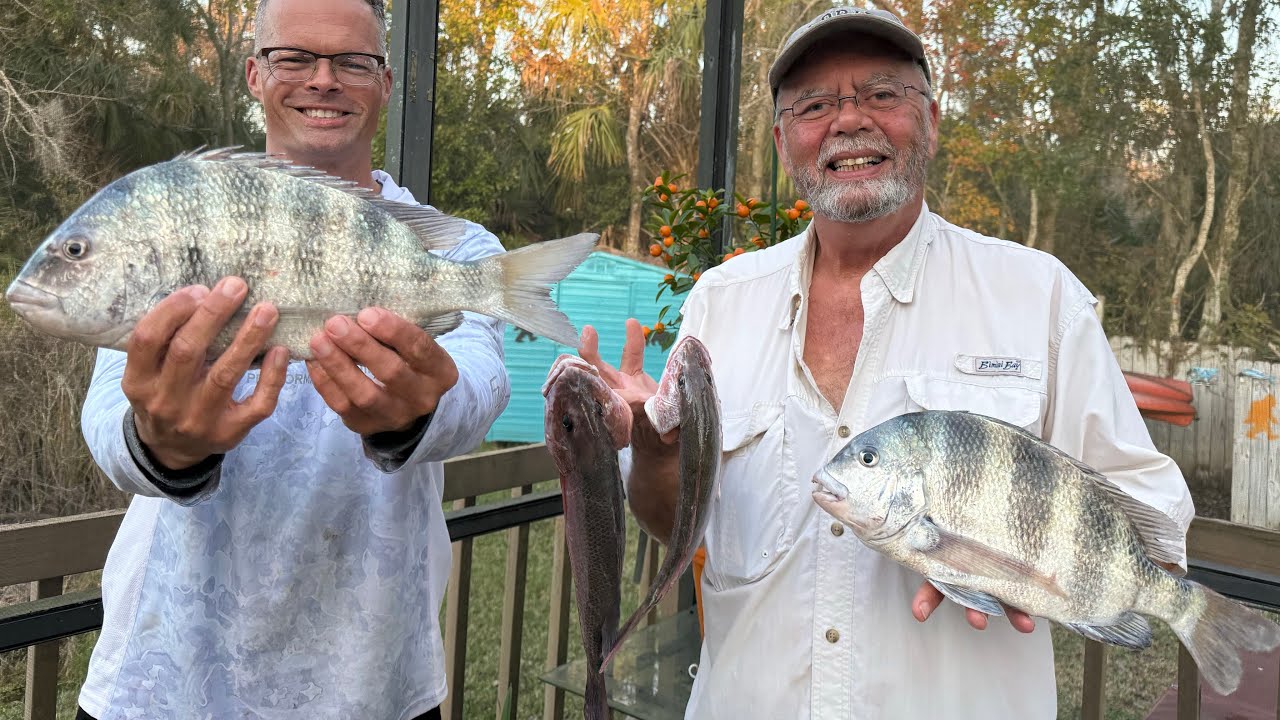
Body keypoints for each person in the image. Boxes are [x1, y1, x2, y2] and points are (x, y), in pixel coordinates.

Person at [569, 6, 1195, 719]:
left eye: (882, 94)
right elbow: (673, 522)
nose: (849, 121)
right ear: (783, 140)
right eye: (815, 104)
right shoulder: (721, 302)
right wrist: (653, 453)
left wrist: (1017, 558)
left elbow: (1155, 520)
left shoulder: (1039, 297)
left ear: (929, 119)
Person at [73, 0, 510, 717]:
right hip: (163, 679)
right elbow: (109, 422)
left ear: (385, 82)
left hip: (372, 681)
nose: (324, 80)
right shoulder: (180, 216)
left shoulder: (454, 250)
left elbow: (477, 393)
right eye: (295, 58)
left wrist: (417, 412)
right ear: (255, 73)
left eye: (352, 62)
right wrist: (163, 443)